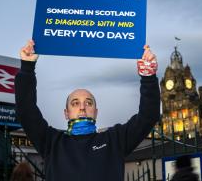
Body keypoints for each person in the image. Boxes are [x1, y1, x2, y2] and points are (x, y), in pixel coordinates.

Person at [15, 39, 160, 181]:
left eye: (88, 103)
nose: (82, 107)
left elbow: (148, 116)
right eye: (75, 103)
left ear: (96, 112)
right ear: (66, 113)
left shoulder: (115, 140)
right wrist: (27, 67)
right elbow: (26, 111)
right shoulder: (52, 142)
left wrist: (148, 77)